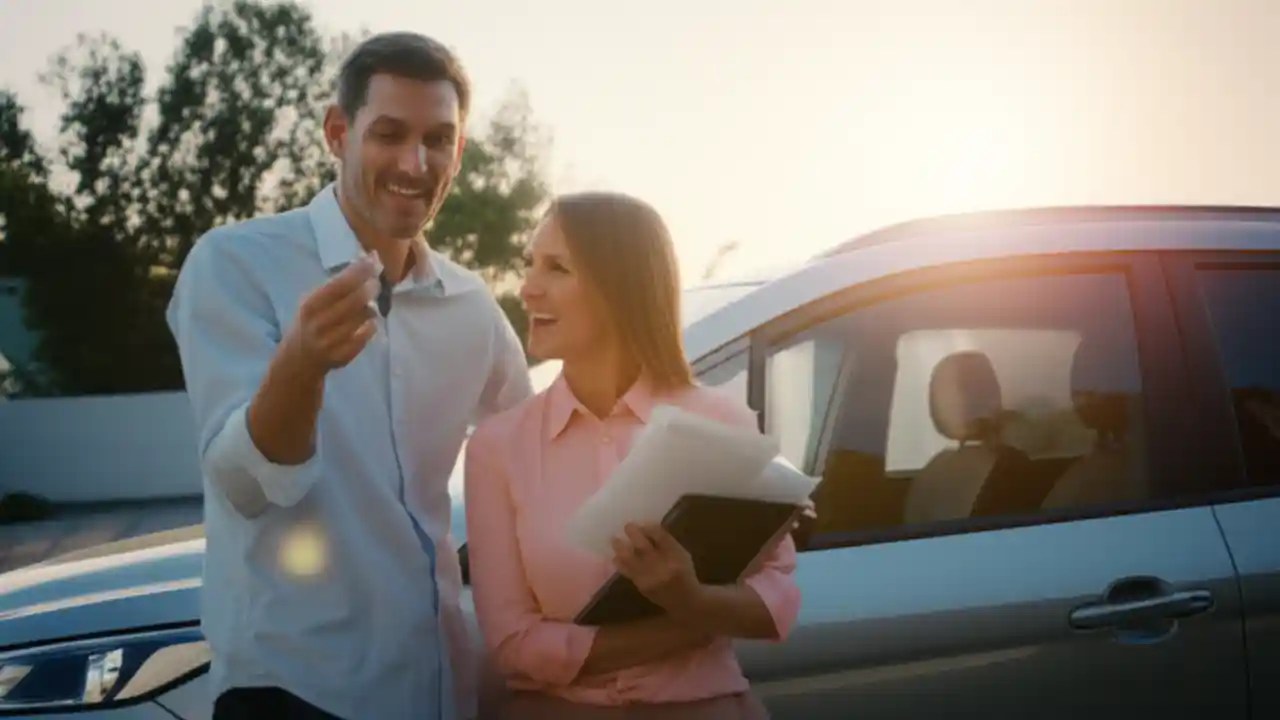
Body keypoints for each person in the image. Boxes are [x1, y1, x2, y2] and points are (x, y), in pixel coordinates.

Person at [166, 32, 531, 720]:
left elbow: (535, 458)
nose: (415, 162)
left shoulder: (471, 304)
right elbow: (244, 485)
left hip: (435, 691)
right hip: (293, 694)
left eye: (438, 139)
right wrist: (301, 365)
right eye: (389, 134)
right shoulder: (235, 265)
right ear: (339, 132)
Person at [464, 192, 800, 718]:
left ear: (620, 286)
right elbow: (513, 646)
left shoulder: (719, 423)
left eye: (557, 269)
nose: (527, 289)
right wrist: (692, 623)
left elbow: (775, 601)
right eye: (531, 265)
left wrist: (692, 598)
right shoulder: (496, 448)